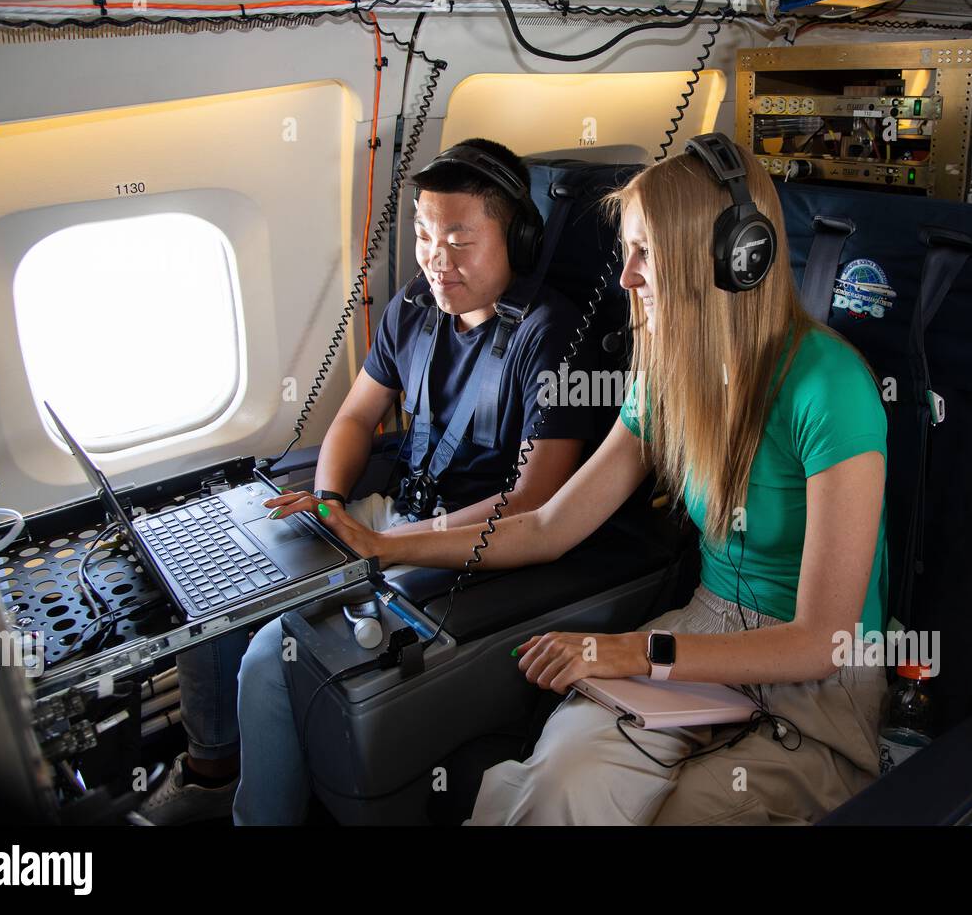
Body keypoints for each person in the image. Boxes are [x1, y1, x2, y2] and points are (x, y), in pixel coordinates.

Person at [273, 134, 893, 825]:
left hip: (813, 675)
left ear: (732, 258)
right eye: (625, 251)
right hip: (706, 627)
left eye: (646, 253)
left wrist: (629, 650)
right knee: (564, 774)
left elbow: (821, 639)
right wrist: (386, 545)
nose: (626, 277)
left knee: (691, 810)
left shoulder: (829, 385)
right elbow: (548, 523)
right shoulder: (664, 377)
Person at [141, 138, 595, 824]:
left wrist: (391, 541)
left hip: (466, 544)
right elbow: (356, 415)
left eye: (461, 240)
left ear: (517, 238)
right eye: (422, 236)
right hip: (392, 511)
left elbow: (532, 501)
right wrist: (329, 505)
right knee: (221, 580)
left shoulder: (551, 336)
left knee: (272, 655)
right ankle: (210, 770)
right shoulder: (416, 305)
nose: (437, 260)